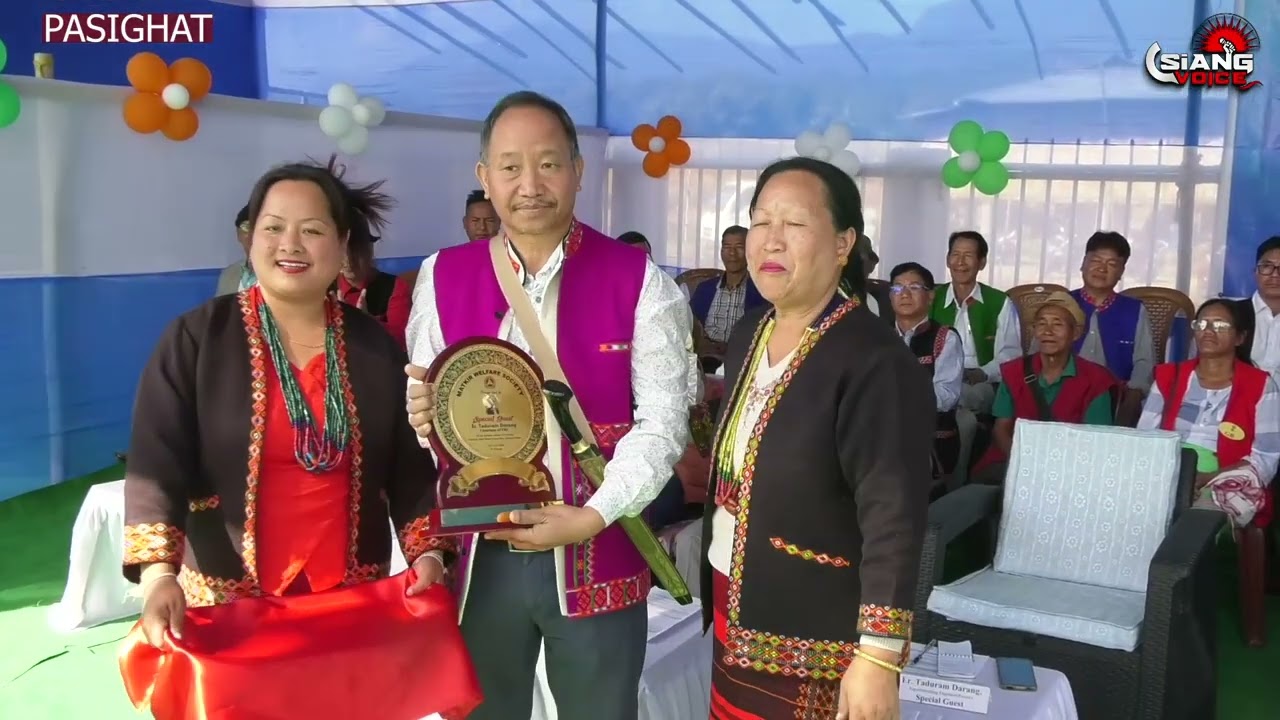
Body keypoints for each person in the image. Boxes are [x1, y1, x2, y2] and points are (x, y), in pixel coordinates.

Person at [404, 91, 693, 719]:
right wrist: (422, 413)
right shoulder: (442, 275)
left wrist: (593, 515)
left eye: (548, 164)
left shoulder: (639, 279)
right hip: (480, 558)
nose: (529, 184)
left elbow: (664, 424)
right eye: (509, 167)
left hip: (600, 547)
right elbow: (424, 393)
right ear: (484, 177)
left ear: (578, 168)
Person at [123, 157, 449, 648]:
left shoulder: (374, 348)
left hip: (345, 598)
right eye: (273, 227)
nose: (290, 244)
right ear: (250, 239)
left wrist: (429, 554)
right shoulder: (196, 338)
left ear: (342, 246)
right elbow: (157, 460)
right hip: (226, 603)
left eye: (312, 230)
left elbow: (408, 467)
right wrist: (157, 576)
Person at [700, 156, 932, 720]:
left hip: (819, 632)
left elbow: (892, 513)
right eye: (761, 222)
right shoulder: (749, 333)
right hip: (739, 600)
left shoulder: (874, 359)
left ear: (842, 242)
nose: (771, 241)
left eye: (795, 224)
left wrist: (878, 657)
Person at [1138, 298, 1279, 527]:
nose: (1209, 331)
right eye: (1202, 324)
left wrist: (1208, 478)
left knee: (1203, 514)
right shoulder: (1169, 377)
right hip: (1168, 470)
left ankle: (1184, 557)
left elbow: (1266, 456)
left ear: (1240, 338)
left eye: (1220, 326)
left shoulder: (1262, 385)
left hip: (1227, 478)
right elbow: (1145, 439)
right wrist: (1175, 477)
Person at [975, 291, 1117, 479]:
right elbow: (1001, 429)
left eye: (1057, 324)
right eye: (1041, 324)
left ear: (1075, 333)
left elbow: (1095, 440)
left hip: (1070, 468)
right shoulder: (1014, 371)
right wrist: (1023, 462)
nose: (1047, 331)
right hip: (1012, 461)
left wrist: (1052, 468)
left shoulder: (1096, 380)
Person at [929, 231, 1022, 414]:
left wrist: (983, 373)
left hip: (980, 381)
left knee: (963, 396)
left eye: (968, 256)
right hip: (936, 378)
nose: (960, 262)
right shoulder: (932, 298)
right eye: (955, 255)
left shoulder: (999, 302)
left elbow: (1011, 355)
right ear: (948, 260)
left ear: (982, 262)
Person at [887, 261, 963, 482]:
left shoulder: (945, 338)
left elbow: (946, 396)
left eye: (914, 287)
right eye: (897, 288)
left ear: (930, 296)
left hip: (928, 443)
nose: (904, 294)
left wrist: (896, 398)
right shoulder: (877, 337)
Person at [1070, 231, 1155, 420]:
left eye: (1112, 264)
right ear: (1083, 263)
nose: (1102, 268)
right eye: (1096, 260)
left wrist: (1133, 398)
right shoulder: (1063, 304)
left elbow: (1145, 361)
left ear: (1121, 272)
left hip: (1116, 399)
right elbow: (1039, 356)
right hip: (1064, 395)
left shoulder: (1134, 310)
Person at [334, 216, 412, 349]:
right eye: (343, 248)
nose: (348, 257)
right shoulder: (323, 287)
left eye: (355, 249)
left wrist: (368, 322)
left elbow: (402, 341)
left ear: (369, 249)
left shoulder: (394, 286)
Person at [1247, 236, 1280, 375]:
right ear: (1255, 272)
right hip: (1239, 395)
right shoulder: (1231, 315)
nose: (1275, 275)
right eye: (1266, 266)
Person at [214, 205, 254, 295]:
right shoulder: (229, 274)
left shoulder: (283, 274)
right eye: (246, 227)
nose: (253, 235)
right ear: (238, 234)